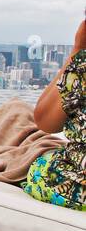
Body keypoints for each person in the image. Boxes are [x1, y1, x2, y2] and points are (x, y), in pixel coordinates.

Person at [24, 17, 86, 211]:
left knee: (42, 166)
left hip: (75, 191)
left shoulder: (83, 69)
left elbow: (45, 122)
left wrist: (78, 50)